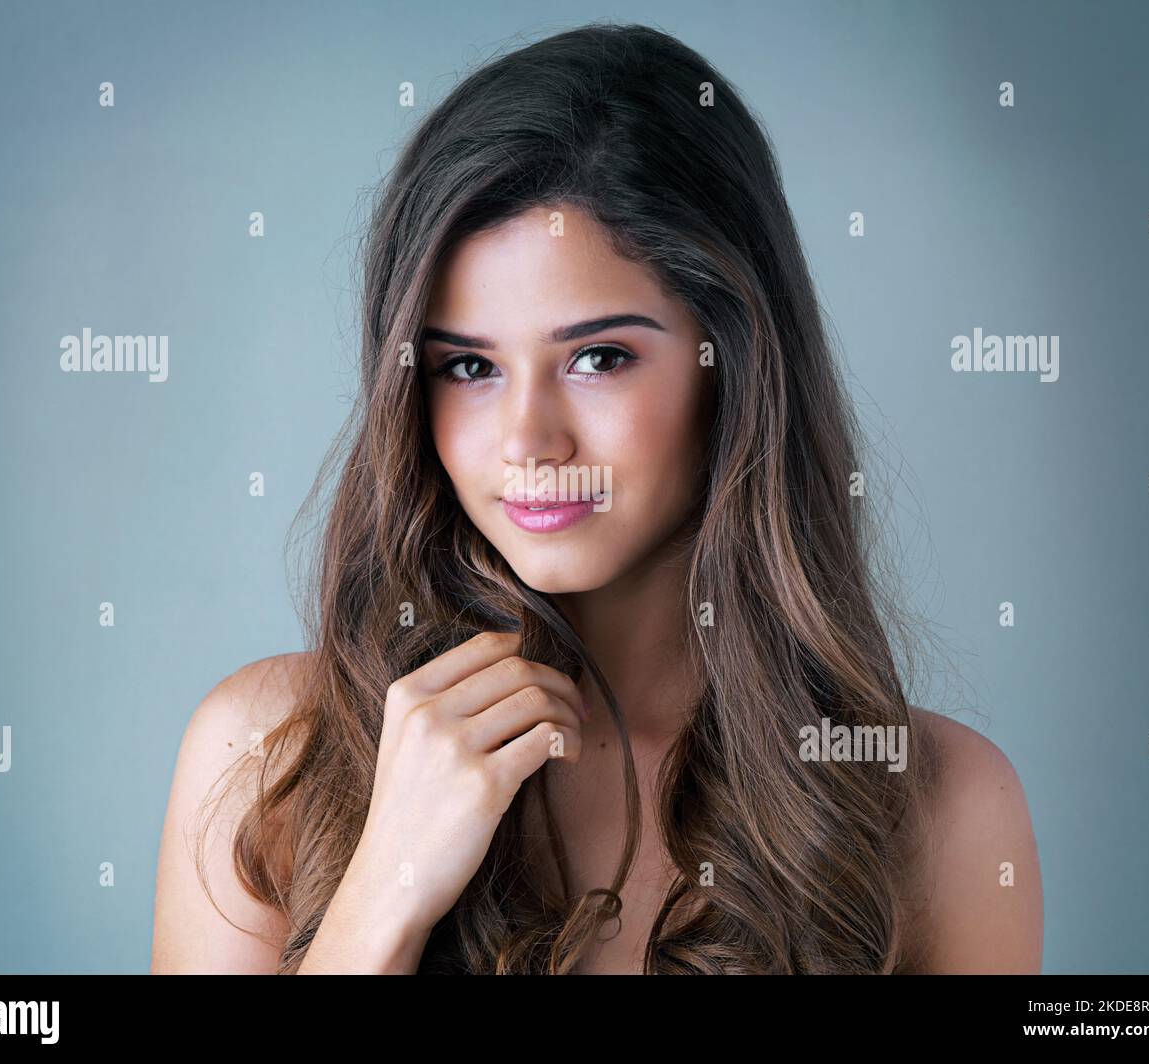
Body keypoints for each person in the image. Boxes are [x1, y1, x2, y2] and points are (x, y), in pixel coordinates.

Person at [151, 22, 1043, 975]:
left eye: (599, 357)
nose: (528, 441)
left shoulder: (938, 810)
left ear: (735, 364)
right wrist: (381, 900)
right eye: (469, 367)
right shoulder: (266, 757)